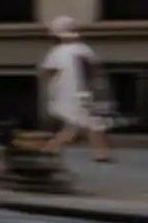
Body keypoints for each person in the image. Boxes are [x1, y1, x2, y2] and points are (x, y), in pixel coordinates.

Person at [39, 16, 112, 161]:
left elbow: (46, 73)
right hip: (83, 93)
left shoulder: (57, 52)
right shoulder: (85, 50)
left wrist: (53, 87)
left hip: (68, 94)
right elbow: (95, 70)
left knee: (80, 124)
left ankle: (51, 148)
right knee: (91, 123)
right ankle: (101, 153)